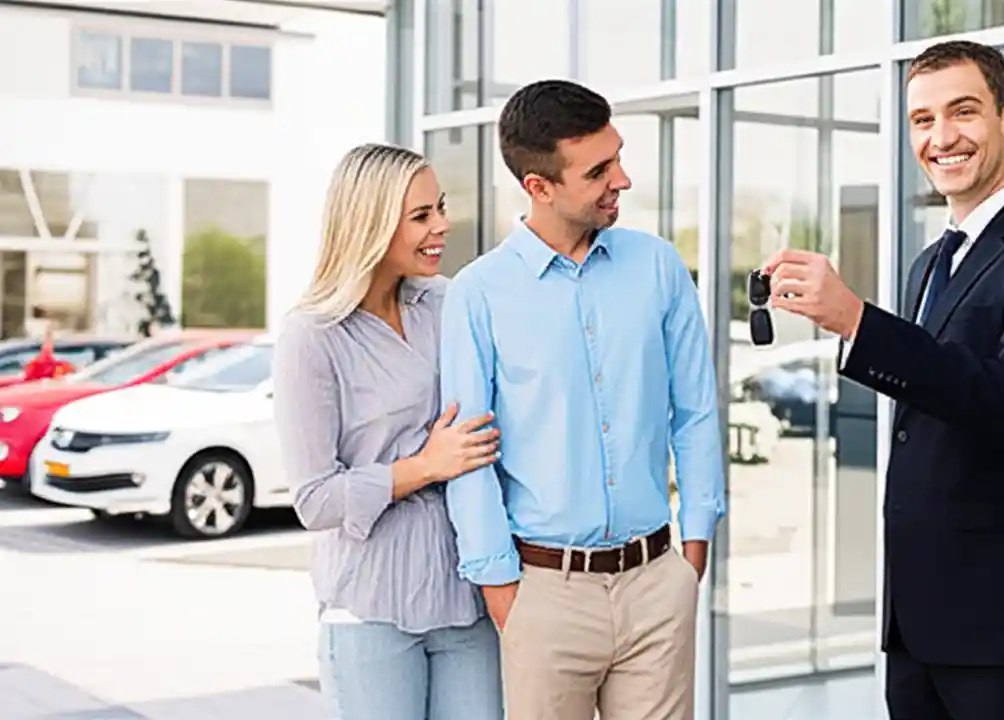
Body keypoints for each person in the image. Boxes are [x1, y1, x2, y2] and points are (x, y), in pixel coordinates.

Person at [760, 40, 1004, 719]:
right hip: (920, 628)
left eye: (963, 112)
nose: (941, 137)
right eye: (922, 120)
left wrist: (859, 322)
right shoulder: (931, 261)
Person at [439, 79, 725, 720]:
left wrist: (696, 543)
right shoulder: (478, 294)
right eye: (598, 170)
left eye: (617, 157)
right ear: (538, 186)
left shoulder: (657, 266)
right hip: (543, 594)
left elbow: (696, 410)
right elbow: (468, 452)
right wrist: (501, 590)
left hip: (656, 580)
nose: (620, 179)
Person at [272, 143, 505, 720]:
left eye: (441, 209)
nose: (442, 227)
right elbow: (314, 499)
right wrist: (425, 466)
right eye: (421, 216)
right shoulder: (313, 336)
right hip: (369, 607)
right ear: (371, 224)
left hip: (464, 596)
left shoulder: (447, 303)